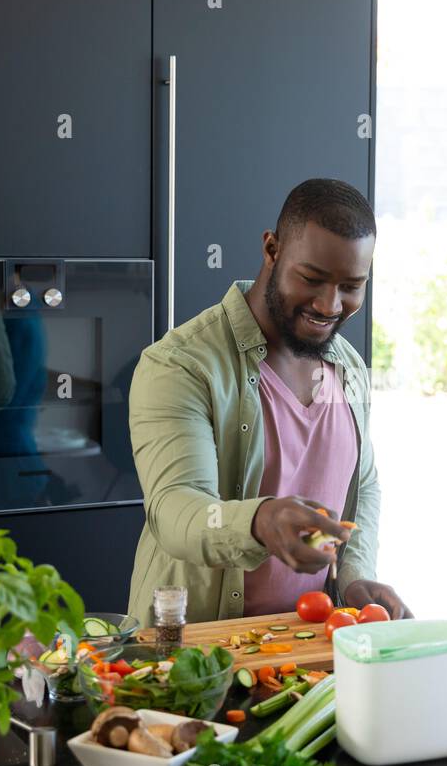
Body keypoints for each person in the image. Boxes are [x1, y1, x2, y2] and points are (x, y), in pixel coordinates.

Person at [126, 178, 411, 624]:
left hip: (306, 643)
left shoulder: (348, 367)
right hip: (193, 654)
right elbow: (175, 509)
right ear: (272, 249)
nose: (329, 305)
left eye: (351, 286)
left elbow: (362, 484)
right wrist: (260, 521)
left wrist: (353, 577)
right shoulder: (181, 365)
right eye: (312, 279)